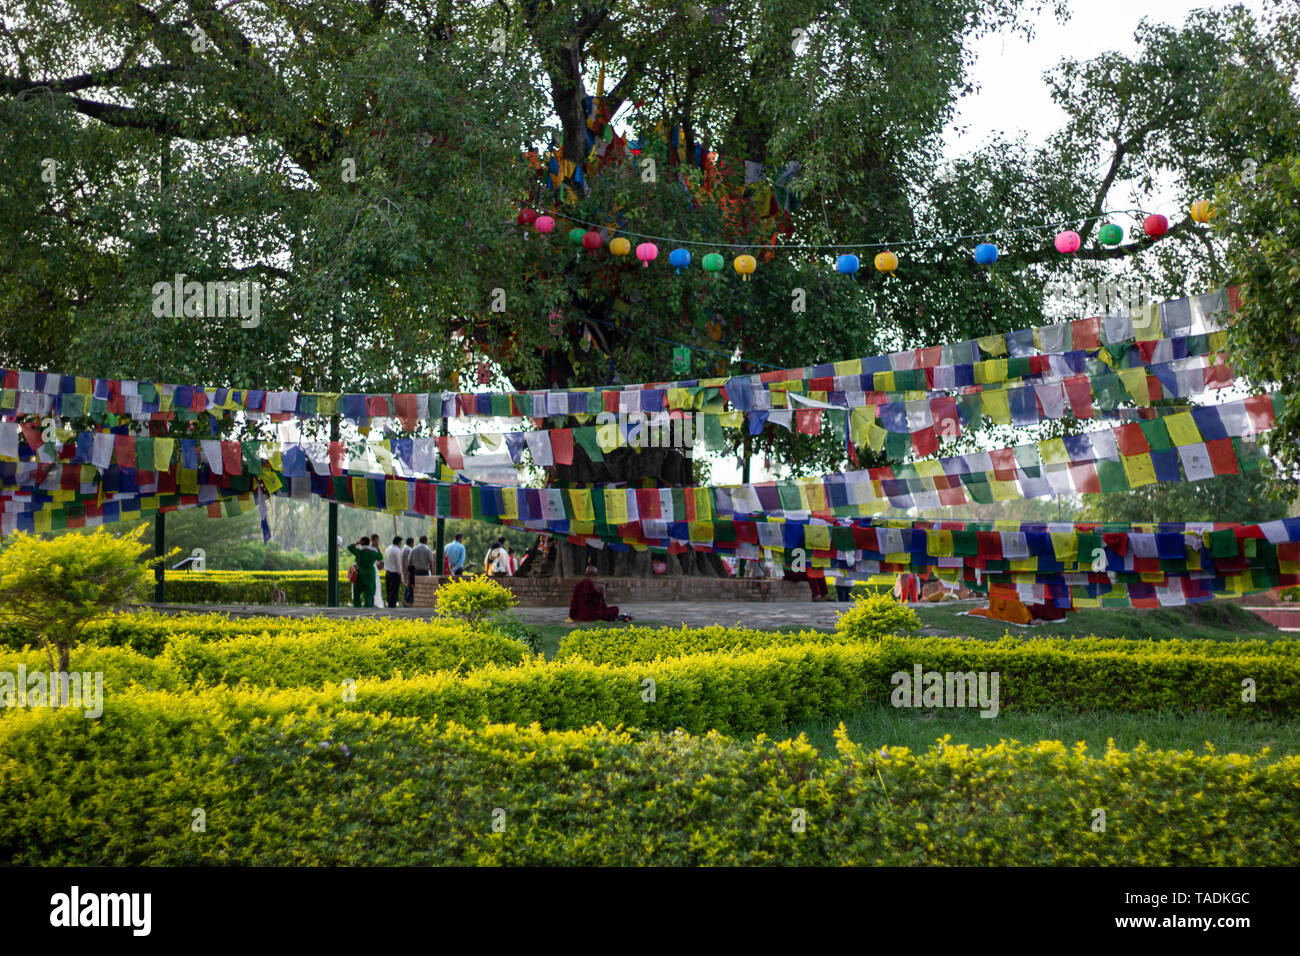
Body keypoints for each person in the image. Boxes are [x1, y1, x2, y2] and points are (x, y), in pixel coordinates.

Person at [346, 536, 381, 609]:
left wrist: (357, 542)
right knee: (369, 594)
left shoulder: (358, 552)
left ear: (362, 543)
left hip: (359, 574)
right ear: (369, 543)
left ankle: (357, 608)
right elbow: (380, 557)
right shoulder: (373, 553)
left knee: (357, 593)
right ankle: (367, 609)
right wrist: (377, 547)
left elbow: (349, 547)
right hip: (370, 575)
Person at [384, 536, 404, 608]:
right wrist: (400, 574)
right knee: (394, 591)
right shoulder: (397, 550)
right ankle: (393, 606)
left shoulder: (388, 548)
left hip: (388, 572)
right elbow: (399, 563)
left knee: (389, 590)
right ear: (398, 542)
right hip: (395, 573)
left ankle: (389, 604)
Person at [370, 534, 384, 608]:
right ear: (372, 540)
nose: (377, 542)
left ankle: (373, 603)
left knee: (376, 587)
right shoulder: (370, 548)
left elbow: (380, 558)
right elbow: (380, 557)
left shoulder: (376, 548)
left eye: (377, 540)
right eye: (376, 540)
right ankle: (371, 603)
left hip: (375, 569)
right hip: (371, 570)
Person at [401, 537, 415, 605]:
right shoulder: (409, 550)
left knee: (407, 588)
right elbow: (410, 562)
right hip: (409, 572)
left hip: (405, 571)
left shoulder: (404, 549)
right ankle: (407, 604)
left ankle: (405, 603)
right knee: (409, 590)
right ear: (411, 543)